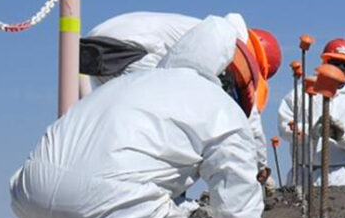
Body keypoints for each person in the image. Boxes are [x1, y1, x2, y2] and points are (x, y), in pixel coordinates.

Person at [10, 16, 265, 218]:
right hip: (105, 206)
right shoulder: (220, 110)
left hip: (28, 198)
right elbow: (237, 207)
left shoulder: (126, 84)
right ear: (232, 77)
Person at [81, 11, 282, 184]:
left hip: (94, 45)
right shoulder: (230, 46)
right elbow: (249, 120)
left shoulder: (204, 29)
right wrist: (260, 167)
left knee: (117, 126)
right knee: (170, 128)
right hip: (137, 50)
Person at [277, 38, 345, 186]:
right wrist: (312, 132)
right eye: (335, 63)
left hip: (339, 176)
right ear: (325, 63)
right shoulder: (300, 94)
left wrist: (341, 136)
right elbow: (284, 128)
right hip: (302, 174)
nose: (340, 68)